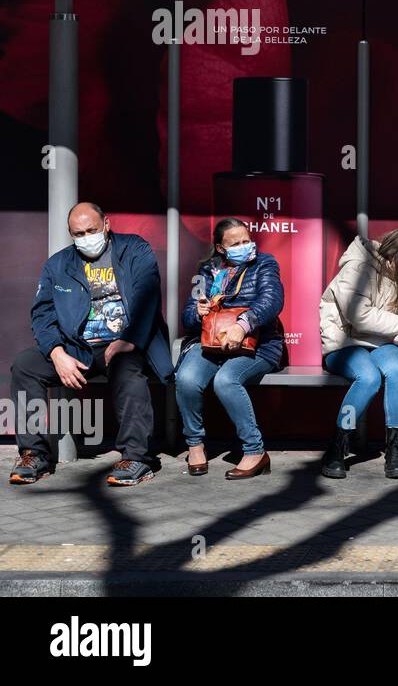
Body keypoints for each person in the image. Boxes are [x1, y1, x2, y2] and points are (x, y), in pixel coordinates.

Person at [9, 202, 173, 487]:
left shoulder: (135, 250)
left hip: (127, 343)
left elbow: (148, 299)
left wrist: (128, 340)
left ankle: (137, 458)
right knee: (24, 366)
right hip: (77, 347)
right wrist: (56, 352)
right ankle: (34, 454)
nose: (86, 237)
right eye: (78, 233)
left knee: (127, 371)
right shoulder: (58, 264)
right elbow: (42, 313)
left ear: (107, 225)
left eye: (92, 230)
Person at [319, 228, 398, 479]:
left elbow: (395, 317)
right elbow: (359, 316)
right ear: (395, 256)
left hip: (380, 343)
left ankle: (395, 448)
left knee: (396, 369)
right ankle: (339, 444)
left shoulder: (397, 274)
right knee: (368, 378)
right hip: (345, 342)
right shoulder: (358, 267)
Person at [176, 218, 285, 481]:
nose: (244, 246)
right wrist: (198, 312)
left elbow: (272, 300)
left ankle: (255, 451)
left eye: (246, 240)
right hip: (213, 343)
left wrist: (243, 324)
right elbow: (188, 316)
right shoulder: (206, 271)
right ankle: (195, 445)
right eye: (235, 243)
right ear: (221, 248)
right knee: (187, 379)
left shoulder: (265, 263)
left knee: (226, 381)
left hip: (257, 345)